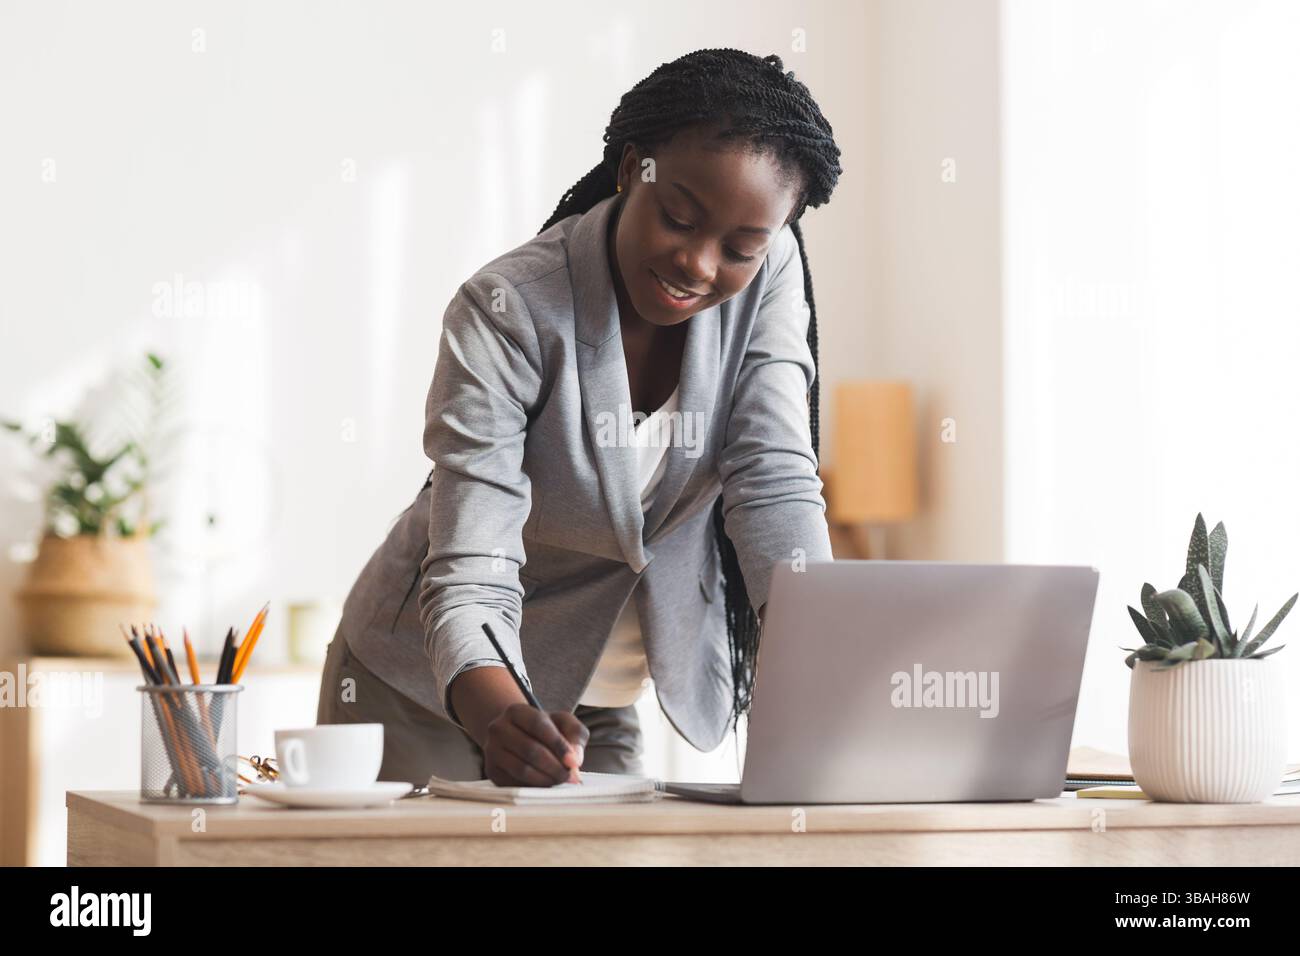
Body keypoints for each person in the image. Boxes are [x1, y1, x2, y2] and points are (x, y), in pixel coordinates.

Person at [317, 48, 843, 787]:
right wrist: (500, 712)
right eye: (680, 217)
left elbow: (773, 480)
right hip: (428, 685)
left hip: (600, 692)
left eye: (740, 247)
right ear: (633, 170)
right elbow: (474, 561)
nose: (699, 262)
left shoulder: (772, 275)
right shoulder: (507, 310)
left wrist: (834, 679)